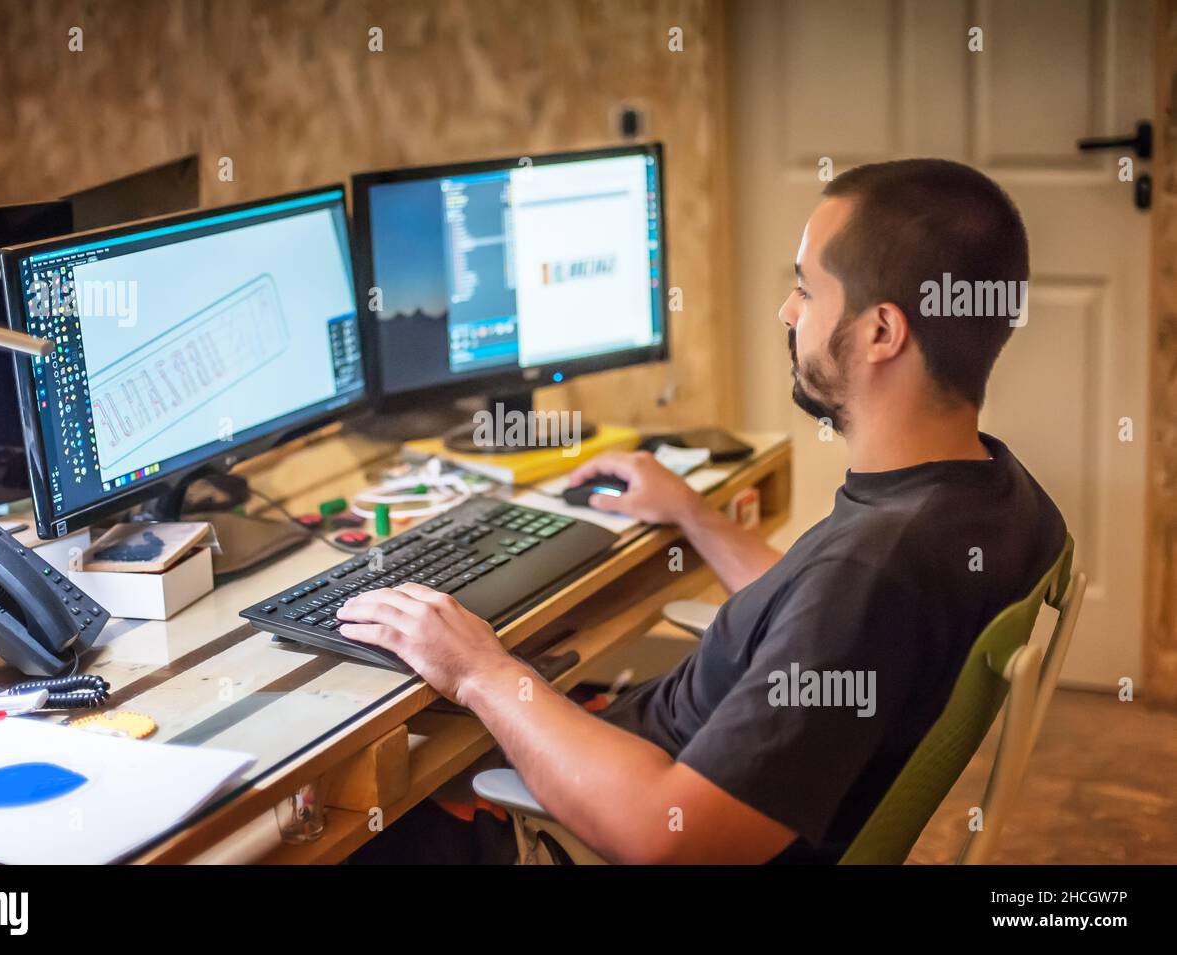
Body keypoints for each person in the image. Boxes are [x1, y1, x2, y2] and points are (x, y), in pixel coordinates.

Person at [342, 159, 1066, 864]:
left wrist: (479, 672)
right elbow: (815, 613)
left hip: (600, 825)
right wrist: (694, 513)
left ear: (881, 332)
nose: (787, 312)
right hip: (648, 757)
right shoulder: (997, 495)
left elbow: (667, 838)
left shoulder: (874, 572)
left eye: (806, 290)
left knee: (342, 829)